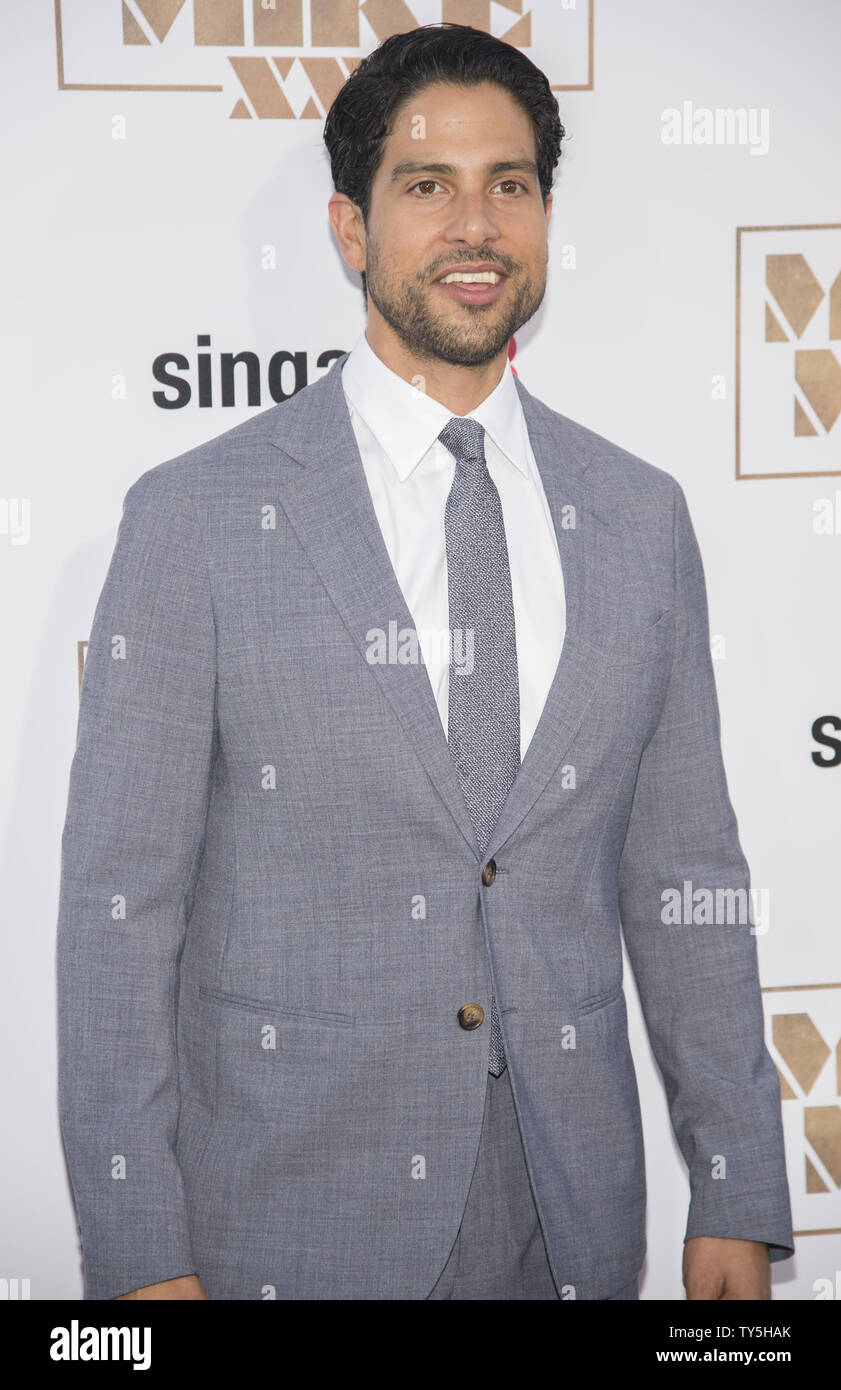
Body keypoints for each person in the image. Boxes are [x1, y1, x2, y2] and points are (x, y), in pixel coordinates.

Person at [56, 23, 793, 1301]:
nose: (477, 225)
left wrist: (731, 1179)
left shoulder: (637, 517)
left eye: (510, 184)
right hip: (283, 1226)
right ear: (351, 229)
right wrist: (137, 1259)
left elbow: (686, 875)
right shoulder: (199, 517)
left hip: (567, 1224)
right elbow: (119, 918)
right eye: (426, 184)